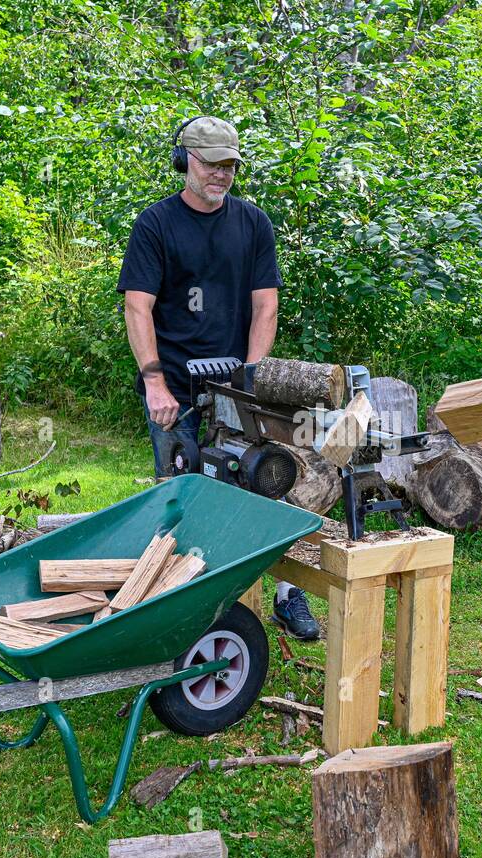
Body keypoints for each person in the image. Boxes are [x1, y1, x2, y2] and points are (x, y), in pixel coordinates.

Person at [117, 115, 319, 640]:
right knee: (183, 496)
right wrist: (155, 383)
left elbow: (266, 305)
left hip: (235, 389)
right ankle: (177, 610)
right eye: (211, 163)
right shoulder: (155, 225)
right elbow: (138, 308)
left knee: (264, 482)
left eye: (230, 165)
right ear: (184, 160)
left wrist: (251, 378)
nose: (221, 174)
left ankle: (282, 594)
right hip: (177, 391)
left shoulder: (253, 223)